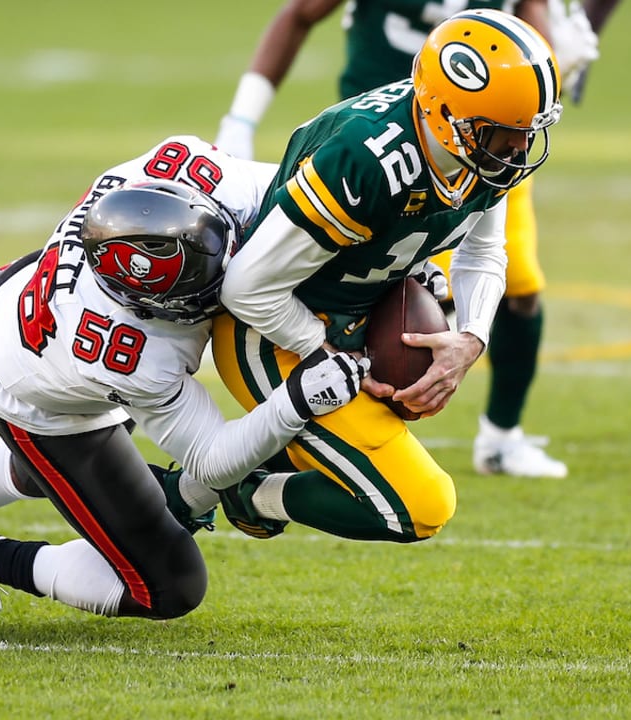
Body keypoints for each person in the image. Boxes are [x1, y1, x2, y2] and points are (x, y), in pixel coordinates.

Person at [0, 136, 367, 623]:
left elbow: (305, 201)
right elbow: (211, 459)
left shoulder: (190, 169)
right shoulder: (128, 349)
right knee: (169, 584)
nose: (232, 278)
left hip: (32, 317)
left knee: (41, 475)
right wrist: (297, 401)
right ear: (150, 303)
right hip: (39, 396)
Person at [170, 9, 564, 544]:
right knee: (420, 506)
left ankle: (201, 488)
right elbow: (247, 287)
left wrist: (470, 338)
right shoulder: (367, 157)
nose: (518, 152)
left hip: (352, 316)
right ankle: (244, 492)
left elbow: (485, 250)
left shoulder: (474, 143)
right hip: (270, 335)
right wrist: (329, 355)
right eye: (502, 136)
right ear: (450, 117)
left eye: (526, 133)